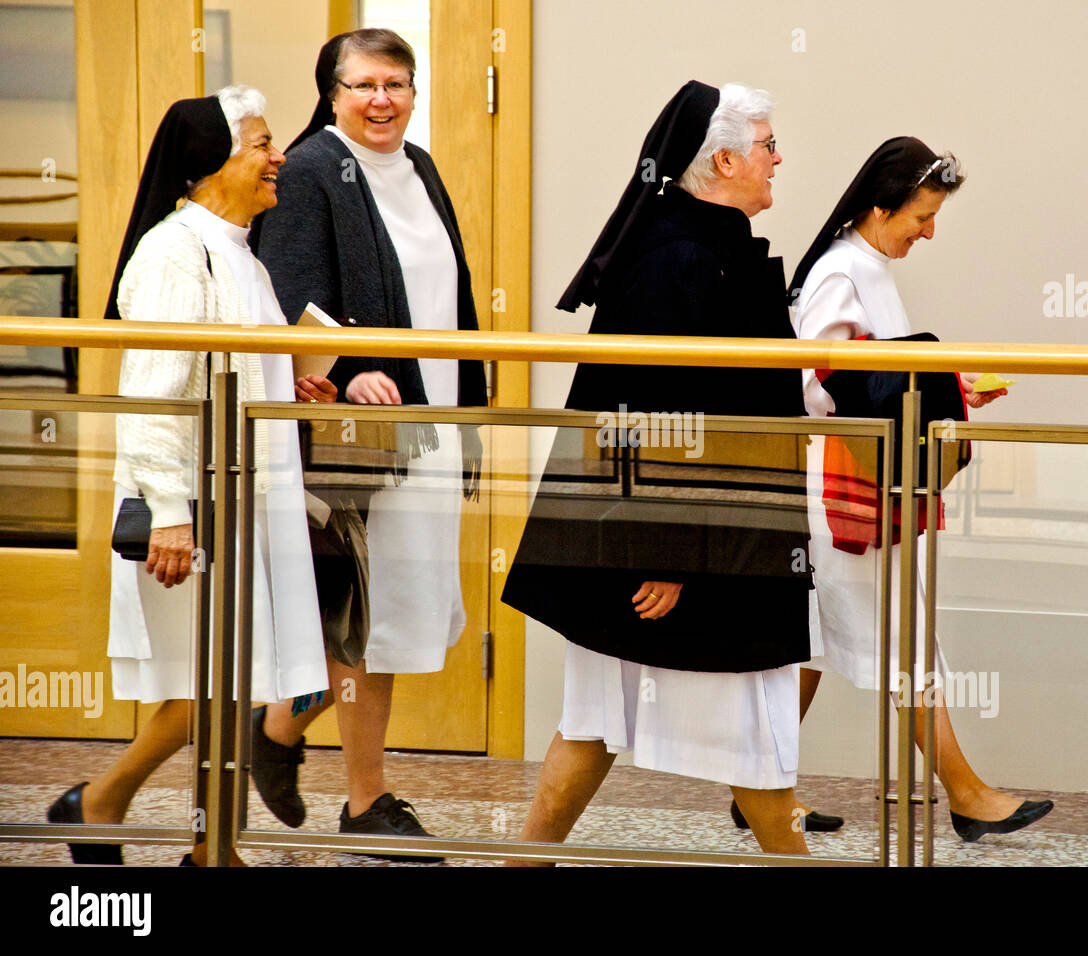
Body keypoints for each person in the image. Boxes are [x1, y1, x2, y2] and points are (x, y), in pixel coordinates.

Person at [500, 81, 819, 862]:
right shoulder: (678, 256)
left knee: (599, 725)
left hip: (709, 536)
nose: (779, 157)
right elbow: (649, 412)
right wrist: (664, 551)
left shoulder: (700, 242)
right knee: (751, 738)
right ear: (725, 158)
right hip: (688, 550)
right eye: (769, 144)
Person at [46, 87, 333, 866]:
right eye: (263, 146)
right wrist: (170, 512)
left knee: (227, 679)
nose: (280, 159)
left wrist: (290, 380)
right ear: (212, 164)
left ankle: (196, 840)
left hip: (245, 489)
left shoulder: (238, 248)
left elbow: (230, 369)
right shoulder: (175, 252)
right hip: (198, 500)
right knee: (212, 680)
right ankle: (115, 807)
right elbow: (151, 396)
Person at [252, 29, 487, 853]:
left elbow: (448, 298)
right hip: (366, 434)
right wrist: (347, 370)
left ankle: (278, 729)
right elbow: (289, 296)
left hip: (433, 418)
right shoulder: (315, 169)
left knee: (387, 614)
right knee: (367, 614)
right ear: (333, 92)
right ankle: (365, 800)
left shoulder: (419, 168)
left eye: (398, 83)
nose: (383, 100)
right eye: (364, 86)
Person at [787, 136, 1053, 842]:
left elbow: (879, 380)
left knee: (813, 644)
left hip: (855, 482)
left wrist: (952, 389)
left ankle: (760, 787)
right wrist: (944, 392)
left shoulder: (863, 264)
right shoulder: (841, 273)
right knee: (903, 642)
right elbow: (824, 384)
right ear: (880, 207)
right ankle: (964, 795)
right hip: (845, 485)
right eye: (921, 218)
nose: (928, 232)